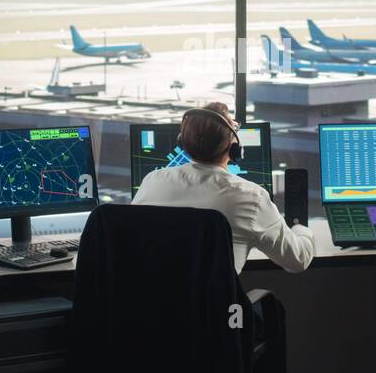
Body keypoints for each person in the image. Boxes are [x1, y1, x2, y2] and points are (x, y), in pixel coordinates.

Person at [132, 102, 314, 273]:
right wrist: (301, 229)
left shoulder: (151, 181)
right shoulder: (251, 198)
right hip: (211, 298)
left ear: (183, 142)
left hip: (148, 296)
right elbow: (298, 260)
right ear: (234, 148)